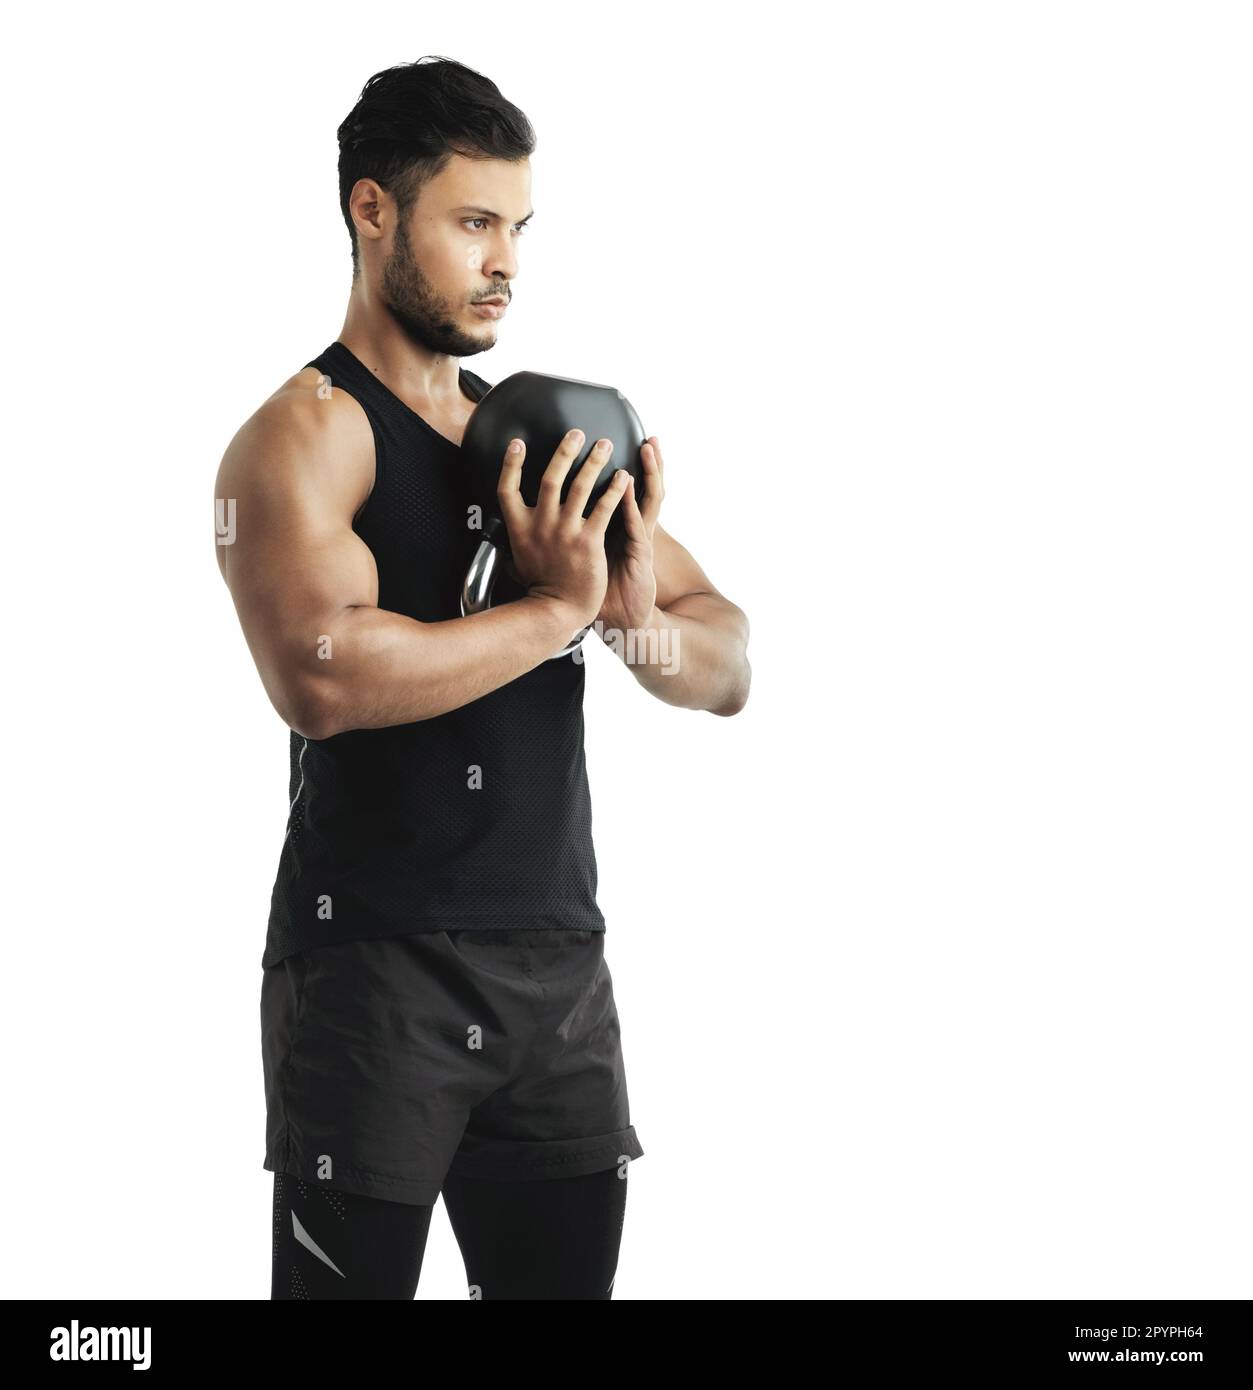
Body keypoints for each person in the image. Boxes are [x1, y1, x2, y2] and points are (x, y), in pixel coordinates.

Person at [214, 55, 751, 1300]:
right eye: (471, 223)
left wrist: (627, 629)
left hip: (555, 962)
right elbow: (321, 677)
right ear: (372, 212)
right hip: (373, 969)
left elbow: (724, 660)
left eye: (516, 227)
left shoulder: (537, 441)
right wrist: (555, 609)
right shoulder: (306, 434)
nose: (504, 259)